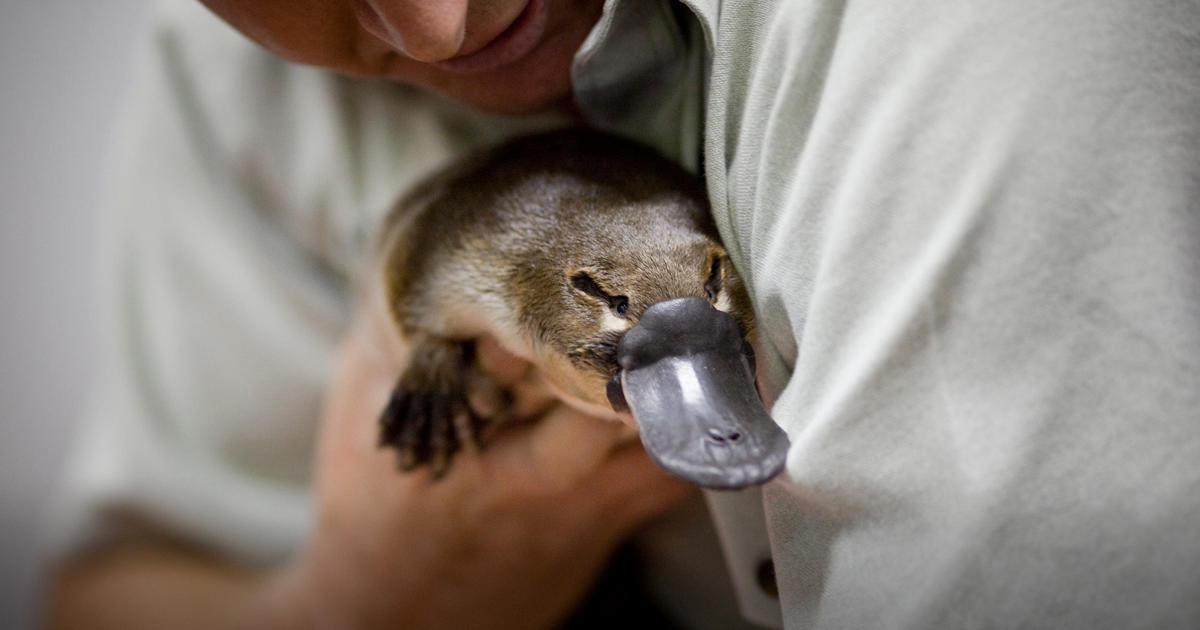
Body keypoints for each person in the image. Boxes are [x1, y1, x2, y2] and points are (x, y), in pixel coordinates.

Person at [42, 0, 1200, 628]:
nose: (442, 24)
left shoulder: (942, 45)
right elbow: (105, 592)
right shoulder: (225, 79)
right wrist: (381, 600)